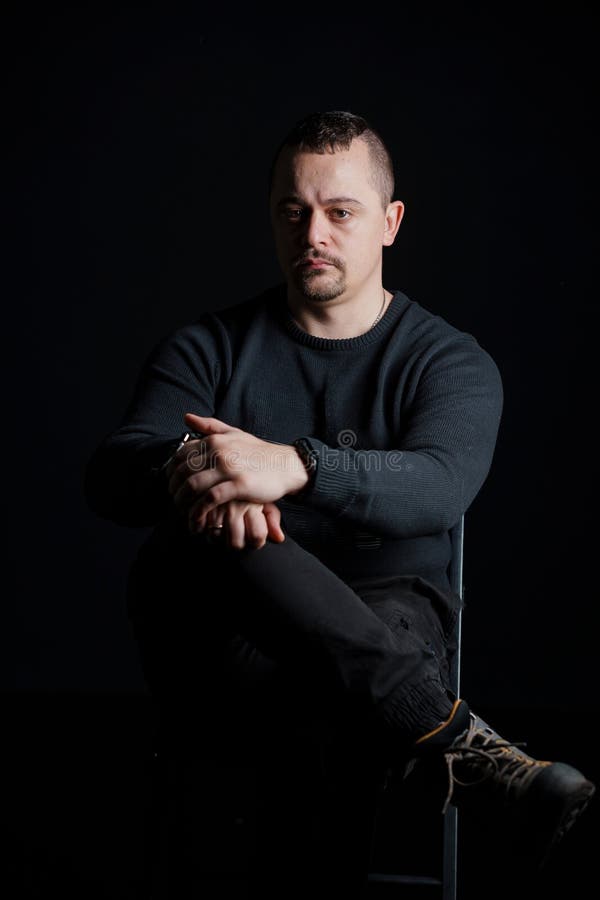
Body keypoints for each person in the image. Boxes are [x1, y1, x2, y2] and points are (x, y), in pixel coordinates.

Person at [85, 110, 594, 895]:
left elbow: (439, 484)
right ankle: (462, 746)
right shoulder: (208, 347)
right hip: (226, 634)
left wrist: (292, 467)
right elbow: (113, 475)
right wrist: (203, 466)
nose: (312, 231)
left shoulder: (449, 362)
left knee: (328, 706)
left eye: (339, 211)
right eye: (294, 211)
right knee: (225, 542)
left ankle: (415, 747)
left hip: (389, 611)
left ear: (389, 223)